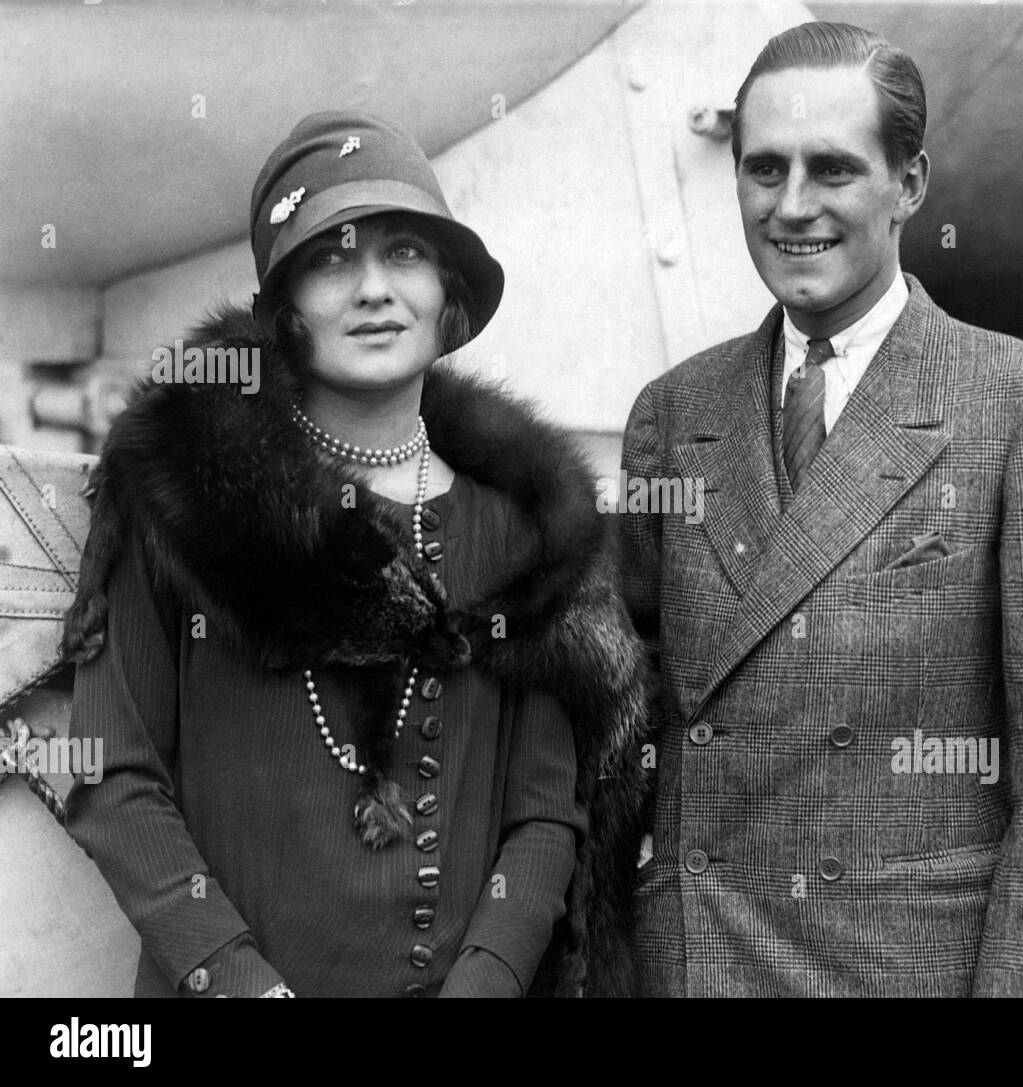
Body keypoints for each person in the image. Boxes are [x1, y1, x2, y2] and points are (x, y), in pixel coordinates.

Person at [62, 111, 649, 998]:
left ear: (446, 291)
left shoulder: (525, 531)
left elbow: (544, 811)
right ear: (284, 311)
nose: (374, 289)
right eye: (332, 259)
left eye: (405, 254)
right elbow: (112, 776)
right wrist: (240, 982)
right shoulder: (179, 507)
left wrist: (484, 980)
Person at [620, 23, 1023, 996]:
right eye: (762, 170)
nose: (793, 207)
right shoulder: (674, 409)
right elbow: (629, 707)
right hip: (698, 964)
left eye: (832, 170)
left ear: (909, 184)